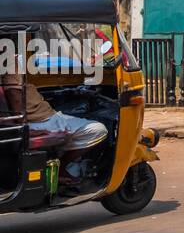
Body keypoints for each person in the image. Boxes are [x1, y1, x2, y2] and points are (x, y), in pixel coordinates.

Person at [1, 32, 108, 181]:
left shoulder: (12, 61)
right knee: (98, 130)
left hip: (41, 117)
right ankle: (62, 167)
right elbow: (15, 97)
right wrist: (26, 129)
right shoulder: (9, 63)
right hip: (40, 121)